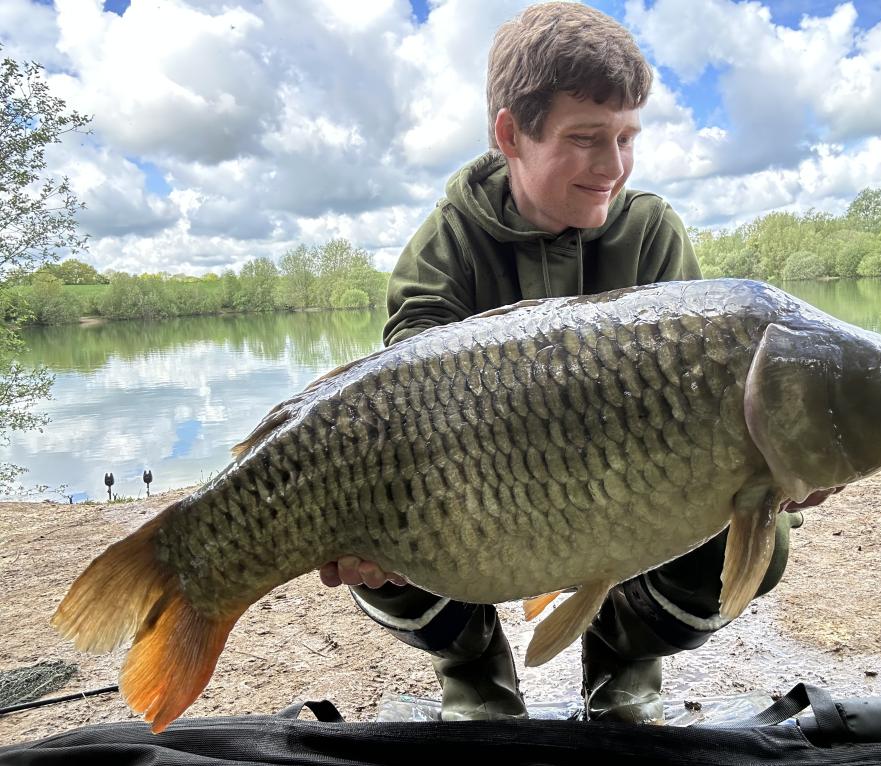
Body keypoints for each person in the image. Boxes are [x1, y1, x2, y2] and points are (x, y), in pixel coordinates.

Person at [319, 1, 804, 724]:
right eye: (585, 138)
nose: (612, 166)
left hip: (621, 491)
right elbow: (400, 418)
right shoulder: (442, 248)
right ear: (512, 134)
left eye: (626, 137)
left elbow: (711, 402)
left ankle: (623, 663)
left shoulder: (651, 235)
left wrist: (776, 454)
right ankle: (476, 673)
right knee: (372, 520)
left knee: (756, 542)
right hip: (476, 502)